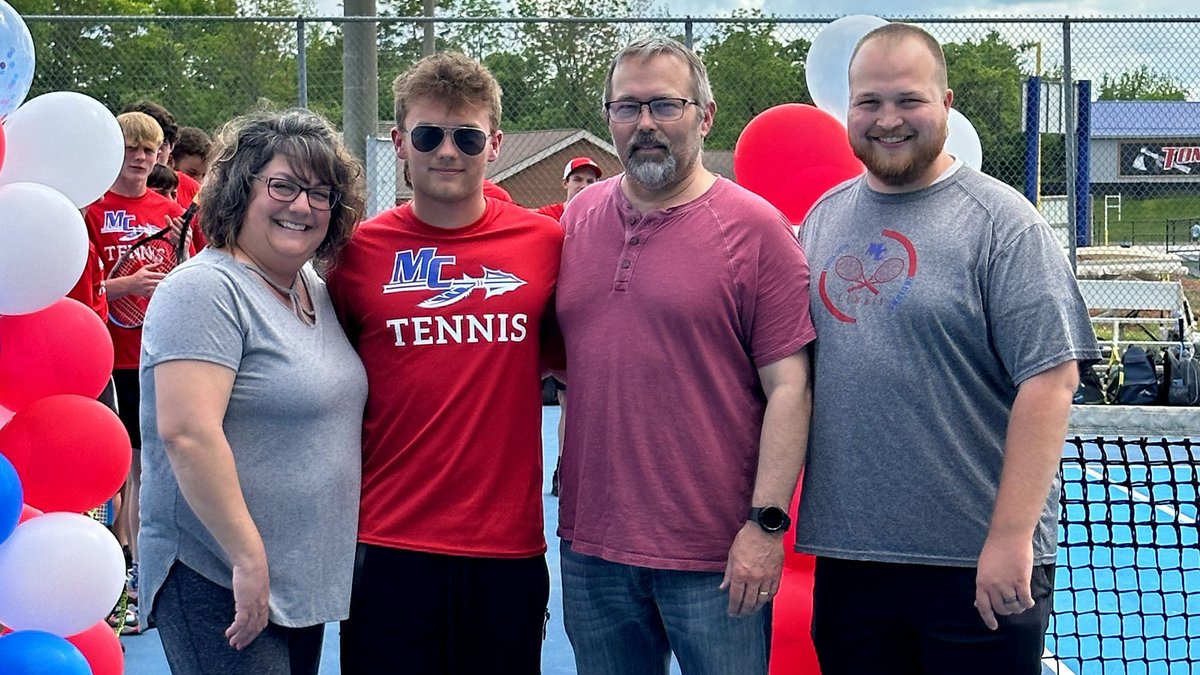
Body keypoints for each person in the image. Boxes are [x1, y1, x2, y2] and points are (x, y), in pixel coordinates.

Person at [795, 23, 1100, 675]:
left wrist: (1011, 537)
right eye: (869, 102)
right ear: (847, 108)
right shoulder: (821, 220)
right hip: (851, 563)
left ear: (946, 104)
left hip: (976, 566)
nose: (888, 119)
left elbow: (1051, 379)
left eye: (908, 100)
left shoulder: (1004, 223)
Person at [555, 37, 815, 674]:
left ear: (705, 115)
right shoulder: (577, 219)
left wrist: (766, 526)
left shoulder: (757, 230)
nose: (645, 124)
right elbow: (571, 364)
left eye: (665, 105)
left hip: (717, 558)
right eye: (628, 107)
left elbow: (791, 387)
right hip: (594, 553)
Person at [327, 51, 563, 674]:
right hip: (387, 542)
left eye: (467, 136)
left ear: (495, 144)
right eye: (429, 135)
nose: (448, 151)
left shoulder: (546, 245)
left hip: (506, 548)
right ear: (401, 143)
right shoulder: (356, 255)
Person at [137, 108, 368, 674]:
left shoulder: (308, 286)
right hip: (218, 574)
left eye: (320, 193)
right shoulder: (204, 290)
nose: (302, 206)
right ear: (241, 191)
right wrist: (247, 559)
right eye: (283, 186)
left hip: (296, 576)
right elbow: (188, 433)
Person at [84, 111, 186, 615]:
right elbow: (79, 290)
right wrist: (126, 286)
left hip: (161, 354)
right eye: (131, 149)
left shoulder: (170, 210)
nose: (142, 158)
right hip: (107, 357)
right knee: (118, 469)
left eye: (149, 149)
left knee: (152, 466)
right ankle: (118, 567)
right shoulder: (92, 211)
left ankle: (145, 572)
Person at [535, 156, 602, 496]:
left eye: (591, 182)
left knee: (569, 401)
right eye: (578, 180)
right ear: (566, 183)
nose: (585, 187)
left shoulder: (602, 220)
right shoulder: (546, 219)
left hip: (572, 323)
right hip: (539, 319)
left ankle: (564, 467)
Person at [535, 156, 602, 221]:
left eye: (590, 181)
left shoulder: (601, 217)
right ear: (565, 183)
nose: (584, 186)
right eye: (578, 180)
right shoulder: (548, 215)